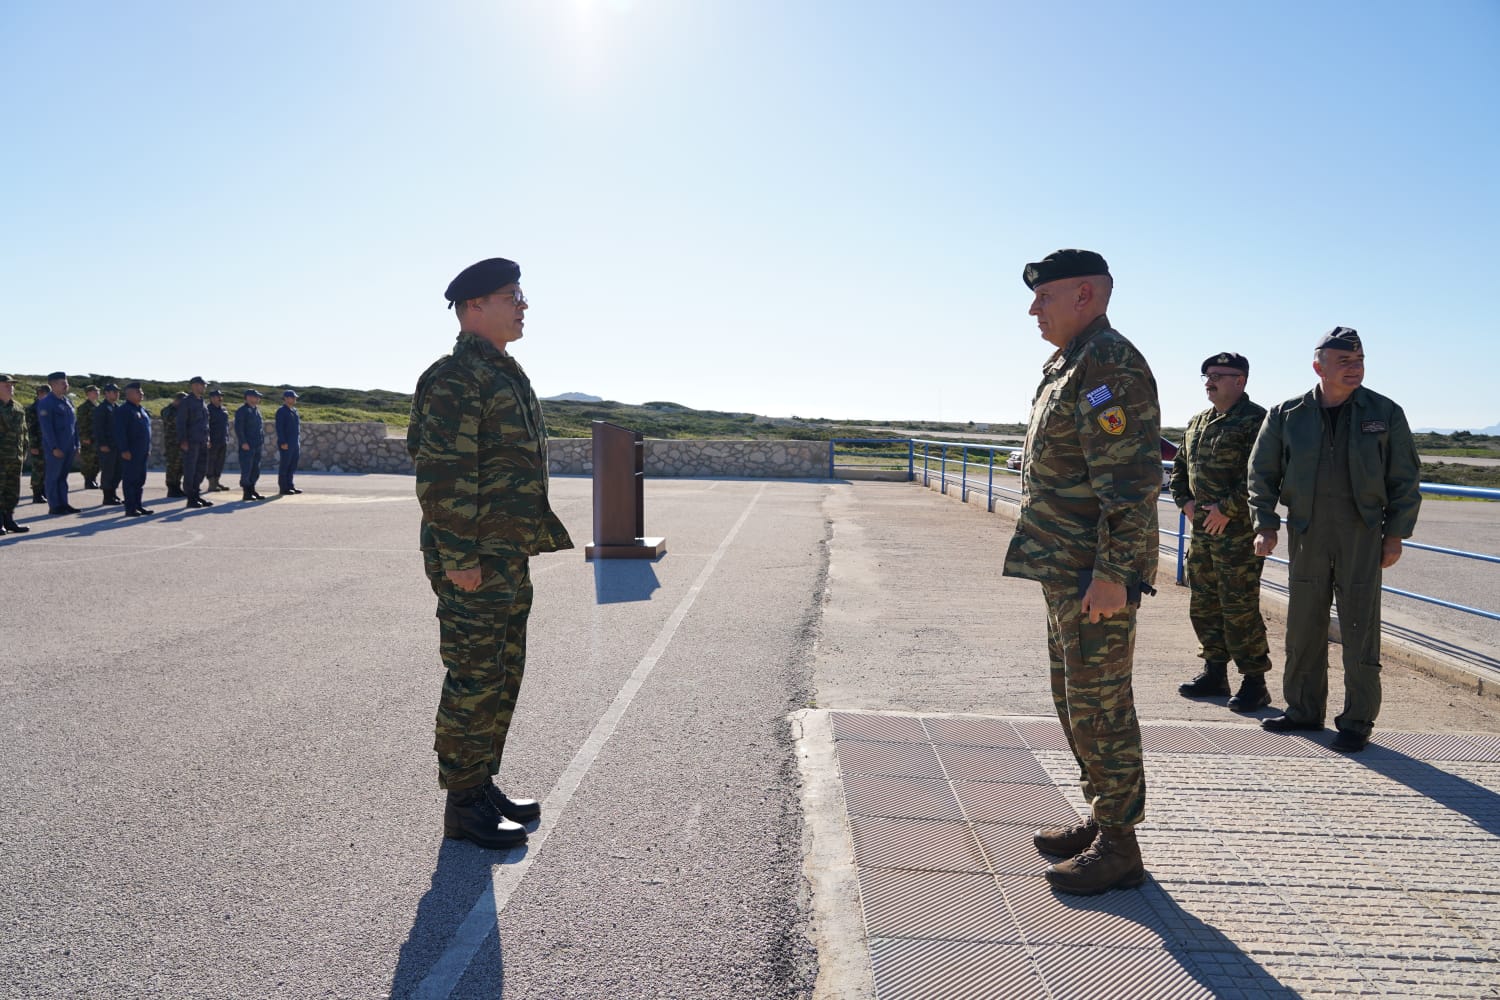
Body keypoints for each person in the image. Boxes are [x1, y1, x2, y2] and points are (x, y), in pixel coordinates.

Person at [1002, 250, 1161, 895]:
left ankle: (1121, 847)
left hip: (1094, 575)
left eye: (1046, 296)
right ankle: (1104, 817)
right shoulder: (1070, 363)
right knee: (1075, 699)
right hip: (1065, 566)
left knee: (1101, 706)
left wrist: (1114, 574)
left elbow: (1130, 481)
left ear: (1086, 295)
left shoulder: (1109, 364)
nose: (1033, 308)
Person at [407, 257, 574, 850]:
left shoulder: (503, 370)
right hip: (473, 556)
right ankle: (463, 804)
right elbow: (443, 476)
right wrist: (459, 558)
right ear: (474, 306)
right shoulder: (455, 378)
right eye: (513, 294)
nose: (523, 304)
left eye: (521, 293)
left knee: (502, 671)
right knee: (474, 674)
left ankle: (481, 781)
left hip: (505, 552)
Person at [1249, 327, 1422, 753]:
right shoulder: (1288, 414)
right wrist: (1265, 523)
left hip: (1362, 531)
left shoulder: (1384, 411)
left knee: (1360, 626)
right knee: (1303, 623)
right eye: (1344, 362)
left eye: (1359, 361)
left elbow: (1405, 478)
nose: (1355, 368)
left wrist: (1395, 534)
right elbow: (1262, 473)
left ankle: (1357, 721)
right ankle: (1304, 710)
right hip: (1306, 530)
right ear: (1318, 366)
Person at [1169, 352, 1272, 711]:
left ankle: (1254, 681)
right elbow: (1179, 467)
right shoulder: (1198, 421)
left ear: (1240, 381)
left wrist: (1227, 509)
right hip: (1202, 532)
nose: (1209, 381)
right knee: (1204, 603)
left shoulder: (1257, 421)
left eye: (1217, 375)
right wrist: (1185, 502)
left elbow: (1264, 476)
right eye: (1206, 376)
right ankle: (1215, 672)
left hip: (1238, 534)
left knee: (1239, 606)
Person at [36, 371, 80, 515]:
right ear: (53, 384)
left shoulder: (68, 402)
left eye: (66, 382)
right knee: (53, 477)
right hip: (56, 447)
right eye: (62, 383)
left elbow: (74, 426)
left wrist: (76, 444)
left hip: (69, 446)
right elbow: (47, 428)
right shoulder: (46, 403)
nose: (66, 385)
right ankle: (55, 505)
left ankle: (64, 503)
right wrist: (54, 447)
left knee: (63, 477)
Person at [115, 382, 155, 517]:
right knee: (130, 480)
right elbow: (120, 432)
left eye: (141, 392)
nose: (142, 394)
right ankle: (130, 508)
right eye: (138, 392)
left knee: (140, 480)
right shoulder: (124, 411)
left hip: (142, 451)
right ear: (129, 394)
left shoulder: (142, 410)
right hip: (130, 452)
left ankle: (138, 505)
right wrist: (124, 449)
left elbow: (146, 431)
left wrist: (148, 448)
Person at [0, 374, 30, 535]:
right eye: (6, 385)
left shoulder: (17, 407)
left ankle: (9, 520)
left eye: (12, 385)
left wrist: (24, 450)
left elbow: (24, 432)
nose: (10, 387)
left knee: (12, 490)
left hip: (15, 455)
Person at [177, 376, 212, 508]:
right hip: (191, 441)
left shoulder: (202, 402)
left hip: (202, 441)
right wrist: (183, 440)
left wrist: (208, 438)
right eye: (202, 385)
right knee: (190, 471)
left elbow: (205, 423)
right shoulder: (187, 402)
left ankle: (196, 495)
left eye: (204, 385)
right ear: (194, 386)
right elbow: (181, 422)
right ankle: (191, 498)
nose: (204, 387)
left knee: (201, 470)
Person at [93, 383, 125, 506]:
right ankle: (107, 496)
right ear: (106, 393)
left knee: (118, 471)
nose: (116, 394)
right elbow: (98, 428)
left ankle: (113, 493)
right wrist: (102, 443)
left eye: (117, 391)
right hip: (107, 445)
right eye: (113, 392)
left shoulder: (117, 407)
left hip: (117, 445)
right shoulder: (102, 409)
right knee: (108, 471)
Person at [235, 389, 266, 501]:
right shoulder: (242, 411)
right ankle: (246, 492)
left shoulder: (256, 410)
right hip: (248, 445)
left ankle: (252, 489)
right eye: (256, 396)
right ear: (248, 397)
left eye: (258, 397)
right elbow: (239, 428)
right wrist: (243, 442)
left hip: (257, 444)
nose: (258, 399)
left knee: (255, 469)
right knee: (247, 469)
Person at [275, 390, 302, 495]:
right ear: (286, 398)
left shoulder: (294, 411)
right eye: (292, 397)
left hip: (295, 442)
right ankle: (283, 488)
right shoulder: (282, 411)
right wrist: (283, 441)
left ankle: (290, 485)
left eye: (295, 397)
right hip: (286, 443)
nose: (295, 399)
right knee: (285, 465)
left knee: (292, 465)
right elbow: (280, 428)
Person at [161, 392, 187, 498]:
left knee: (180, 466)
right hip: (172, 443)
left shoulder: (181, 410)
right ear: (177, 400)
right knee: (172, 467)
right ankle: (172, 488)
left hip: (180, 443)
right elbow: (172, 420)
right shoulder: (168, 410)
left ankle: (177, 487)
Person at [26, 385, 48, 505]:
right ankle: (37, 494)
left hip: (47, 443)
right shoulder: (32, 409)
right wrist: (33, 445)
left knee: (46, 469)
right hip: (38, 444)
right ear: (39, 393)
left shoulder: (48, 406)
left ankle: (44, 491)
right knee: (38, 469)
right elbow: (30, 428)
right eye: (45, 392)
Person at [76, 385, 100, 489]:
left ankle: (93, 479)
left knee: (96, 460)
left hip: (97, 438)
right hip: (88, 438)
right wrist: (85, 437)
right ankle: (88, 480)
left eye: (98, 391)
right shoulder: (83, 408)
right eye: (94, 392)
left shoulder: (98, 406)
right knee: (88, 460)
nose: (97, 393)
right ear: (88, 393)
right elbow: (81, 424)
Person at [206, 388, 230, 492]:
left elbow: (226, 425)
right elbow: (205, 426)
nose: (220, 398)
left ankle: (217, 481)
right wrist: (208, 439)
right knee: (211, 462)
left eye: (221, 396)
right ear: (211, 398)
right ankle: (211, 484)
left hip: (222, 440)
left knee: (220, 462)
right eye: (217, 396)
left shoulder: (223, 409)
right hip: (212, 440)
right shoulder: (207, 410)